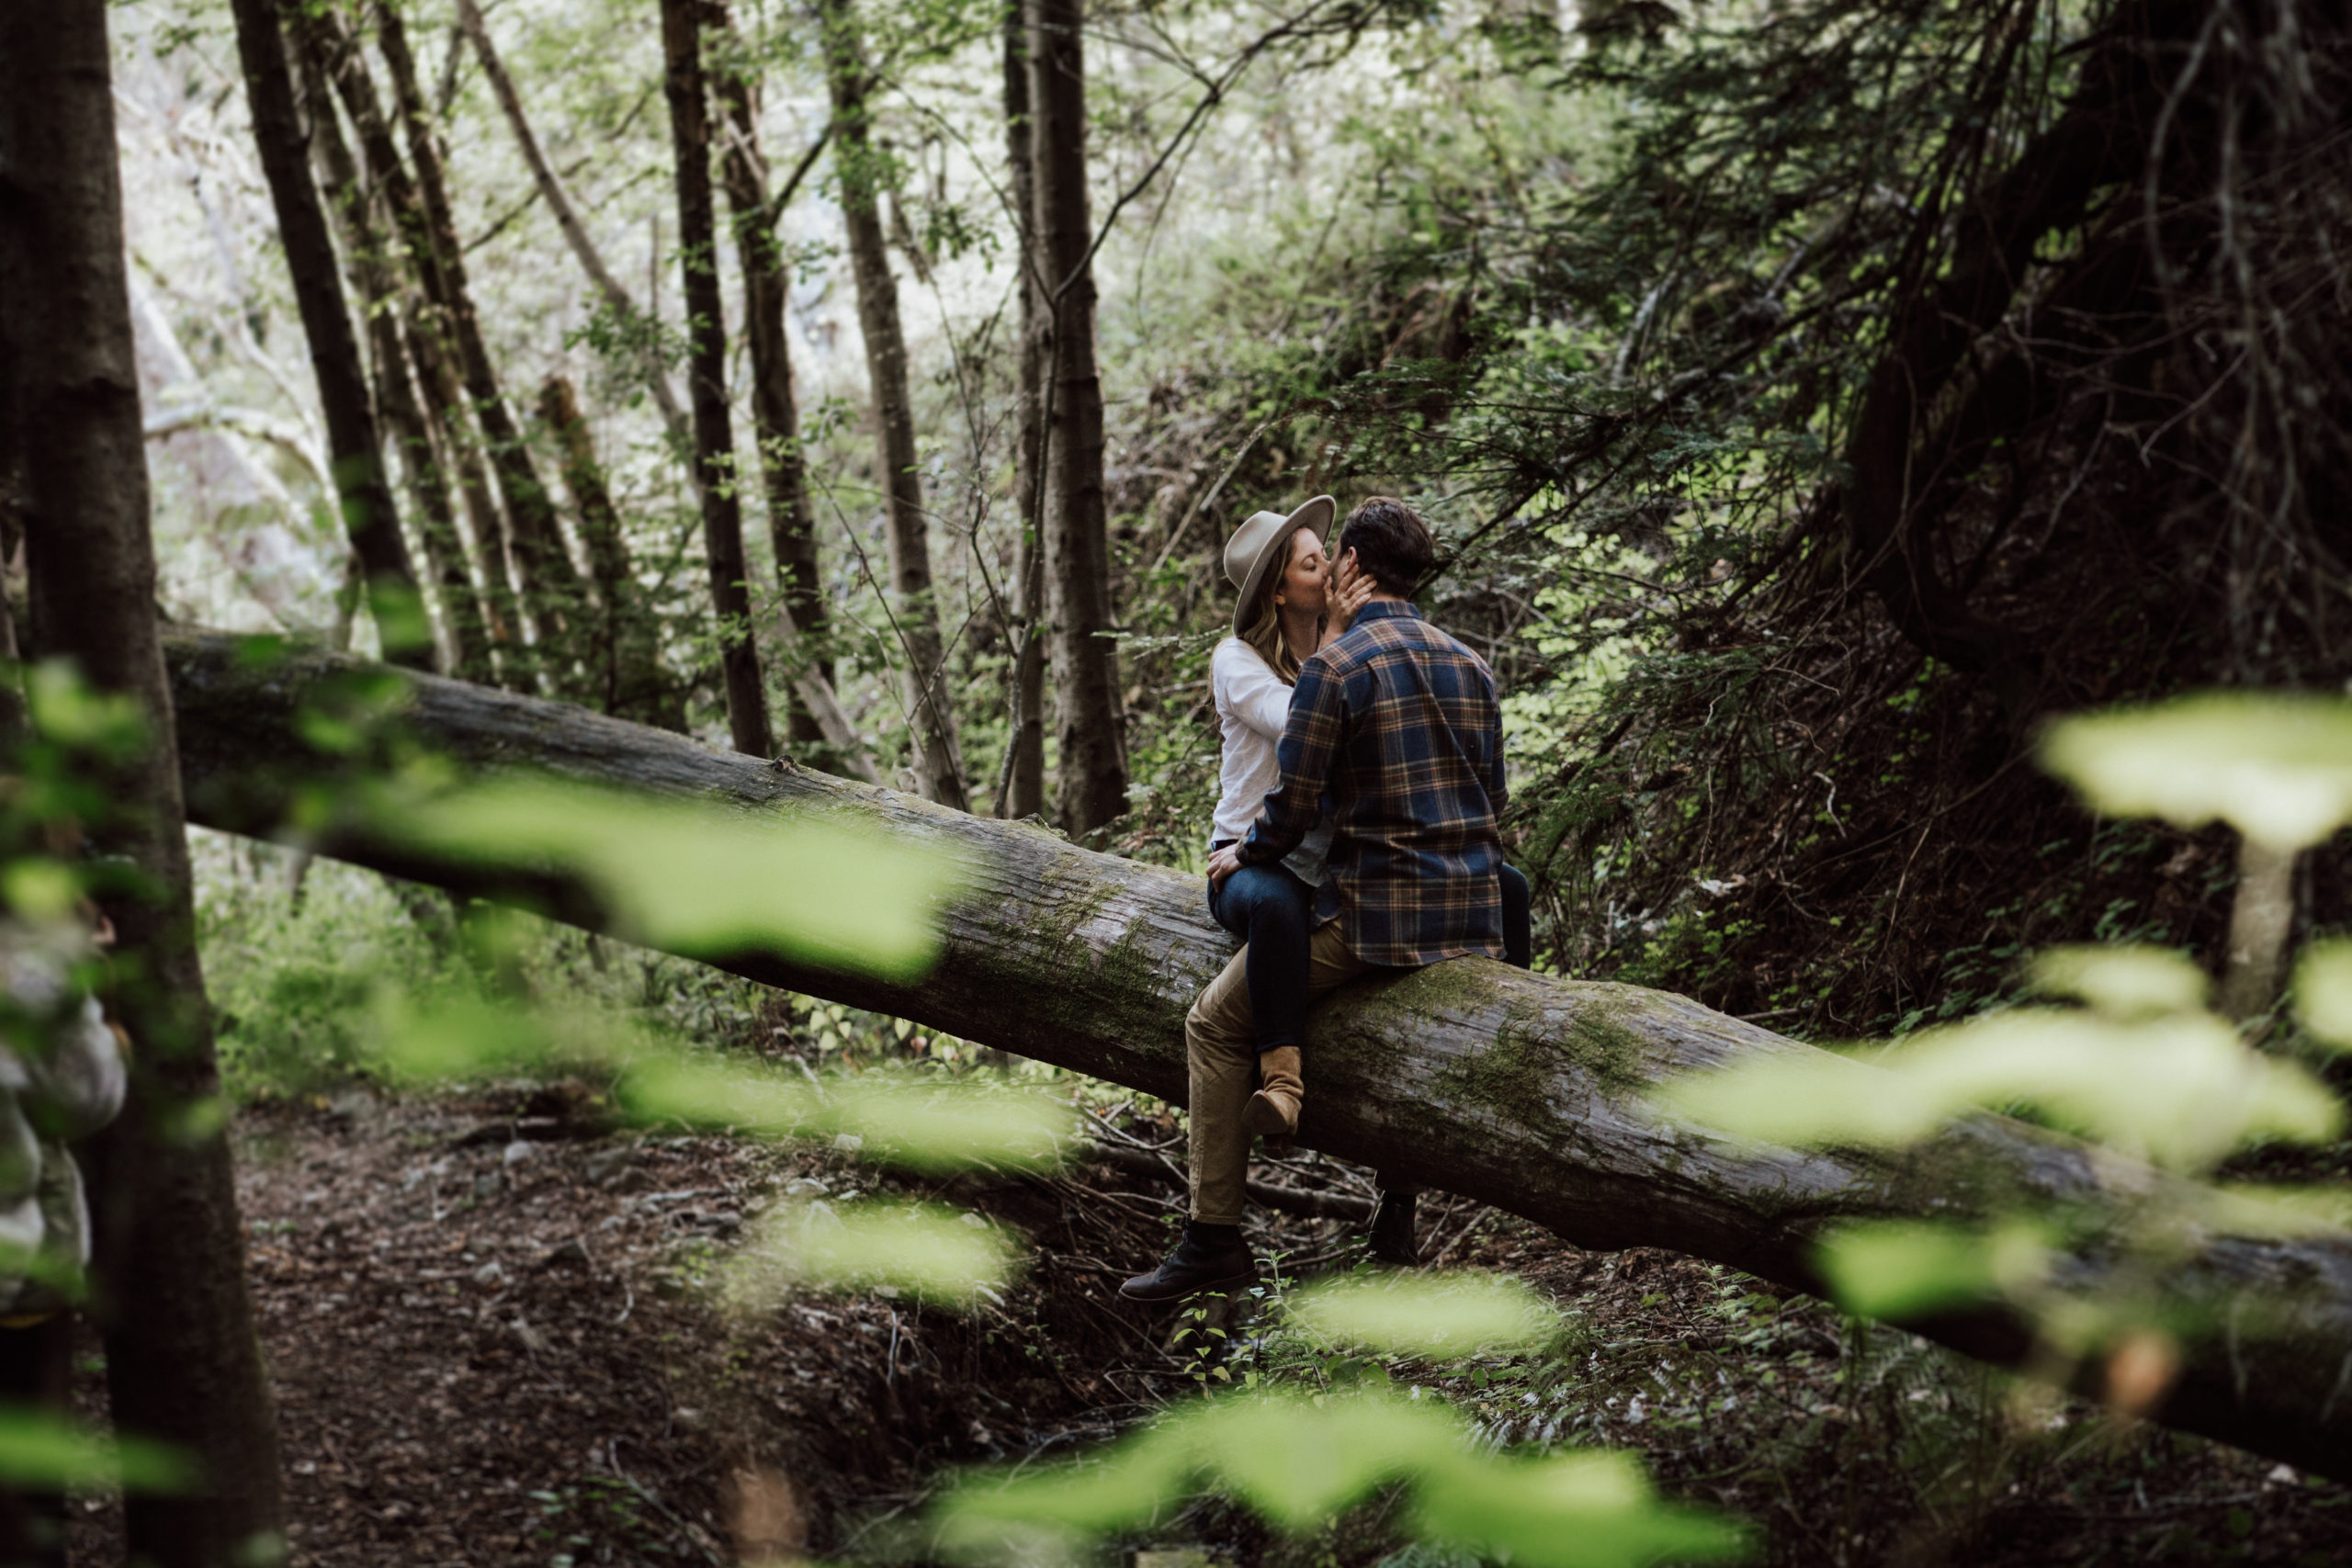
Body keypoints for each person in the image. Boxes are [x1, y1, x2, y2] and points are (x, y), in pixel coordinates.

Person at [1124, 496, 1523, 1300]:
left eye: (1326, 556)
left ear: (1350, 565)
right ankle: (1397, 1197)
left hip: (1371, 916)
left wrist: (1248, 853)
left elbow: (1295, 806)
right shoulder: (1472, 664)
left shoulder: (1338, 669)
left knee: (1211, 1021)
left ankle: (1213, 1235)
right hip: (1469, 913)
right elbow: (1494, 798)